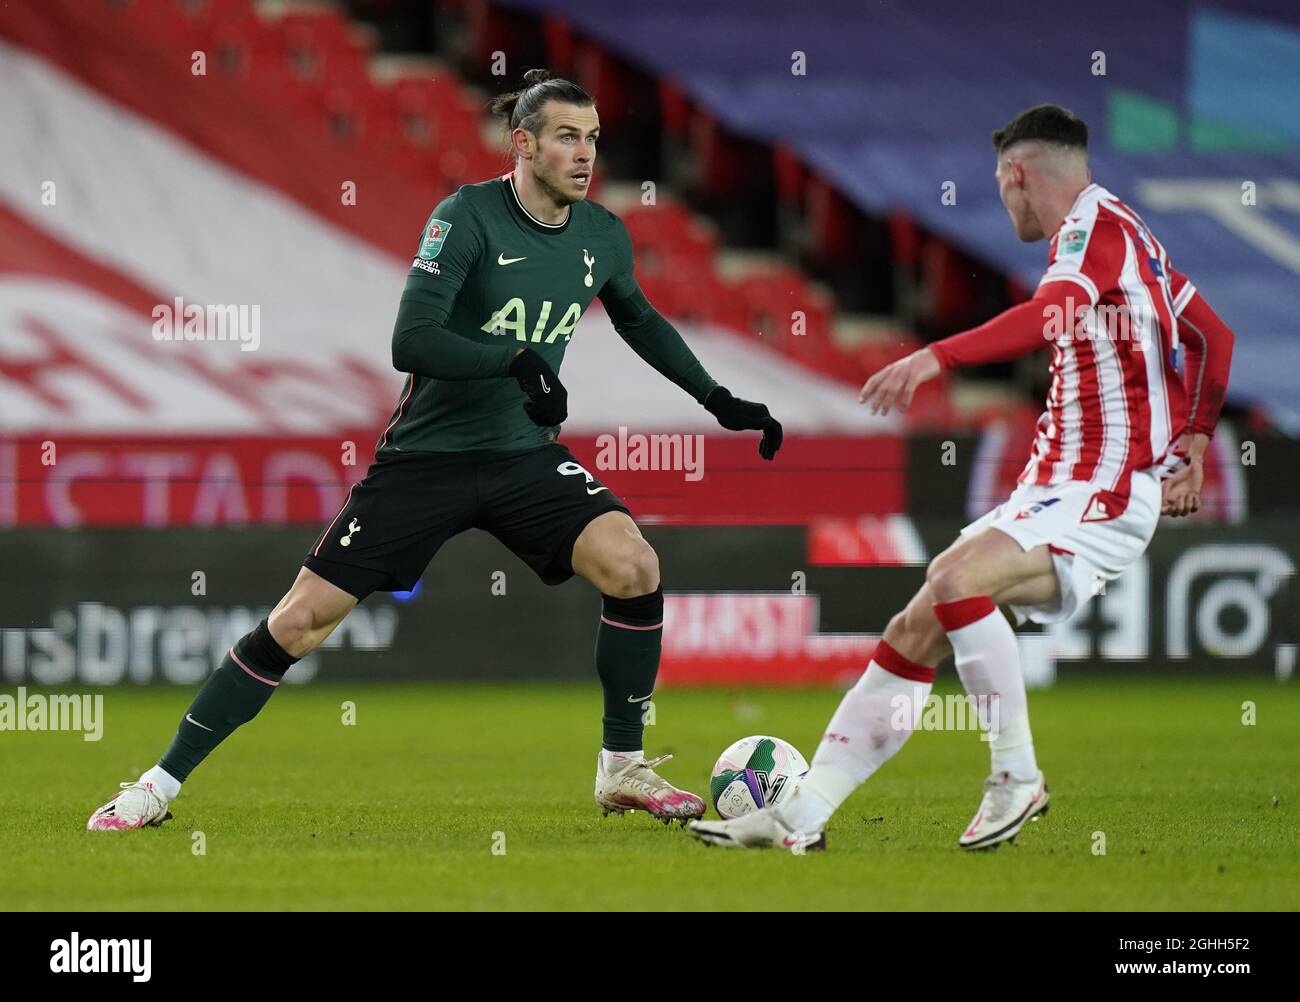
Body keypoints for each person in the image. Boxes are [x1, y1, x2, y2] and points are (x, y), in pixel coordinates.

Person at [88, 70, 783, 832]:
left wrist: (719, 399)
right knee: (299, 622)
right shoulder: (465, 218)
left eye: (592, 138)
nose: (585, 154)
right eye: (566, 137)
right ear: (523, 143)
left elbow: (642, 322)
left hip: (523, 455)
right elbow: (411, 340)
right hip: (427, 459)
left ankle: (622, 768)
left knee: (634, 564)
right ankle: (156, 785)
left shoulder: (602, 236)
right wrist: (518, 361)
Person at [687, 103, 1234, 852]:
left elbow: (1050, 316)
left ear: (1014, 173)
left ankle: (1016, 776)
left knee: (955, 580)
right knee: (912, 629)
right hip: (1058, 485)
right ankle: (800, 814)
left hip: (1099, 489)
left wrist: (932, 356)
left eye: (1000, 185)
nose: (1004, 201)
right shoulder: (1133, 236)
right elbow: (1214, 334)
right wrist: (1198, 440)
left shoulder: (1087, 235)